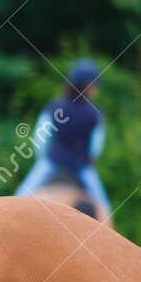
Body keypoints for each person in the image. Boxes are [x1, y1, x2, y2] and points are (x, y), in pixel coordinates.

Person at [16, 58, 110, 221]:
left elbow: (40, 138)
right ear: (88, 85)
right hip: (82, 167)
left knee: (19, 198)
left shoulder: (54, 106)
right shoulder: (95, 112)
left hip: (53, 161)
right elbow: (96, 148)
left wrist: (44, 157)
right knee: (104, 208)